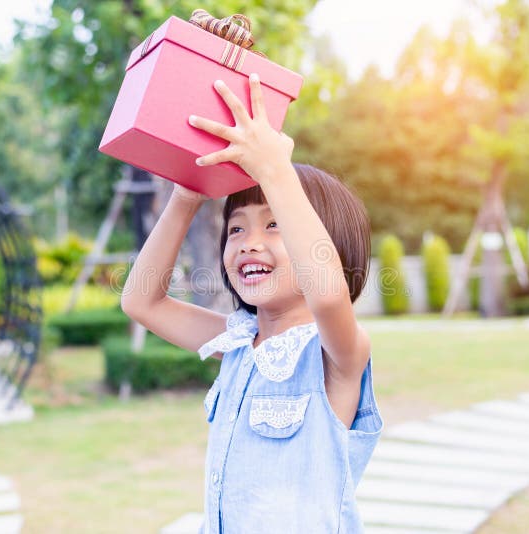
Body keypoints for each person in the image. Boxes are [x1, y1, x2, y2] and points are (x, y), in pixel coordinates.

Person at [121, 73, 383, 533]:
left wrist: (275, 170)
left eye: (274, 224)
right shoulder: (238, 341)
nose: (247, 243)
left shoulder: (337, 353)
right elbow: (142, 302)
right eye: (236, 228)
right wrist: (186, 195)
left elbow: (327, 292)